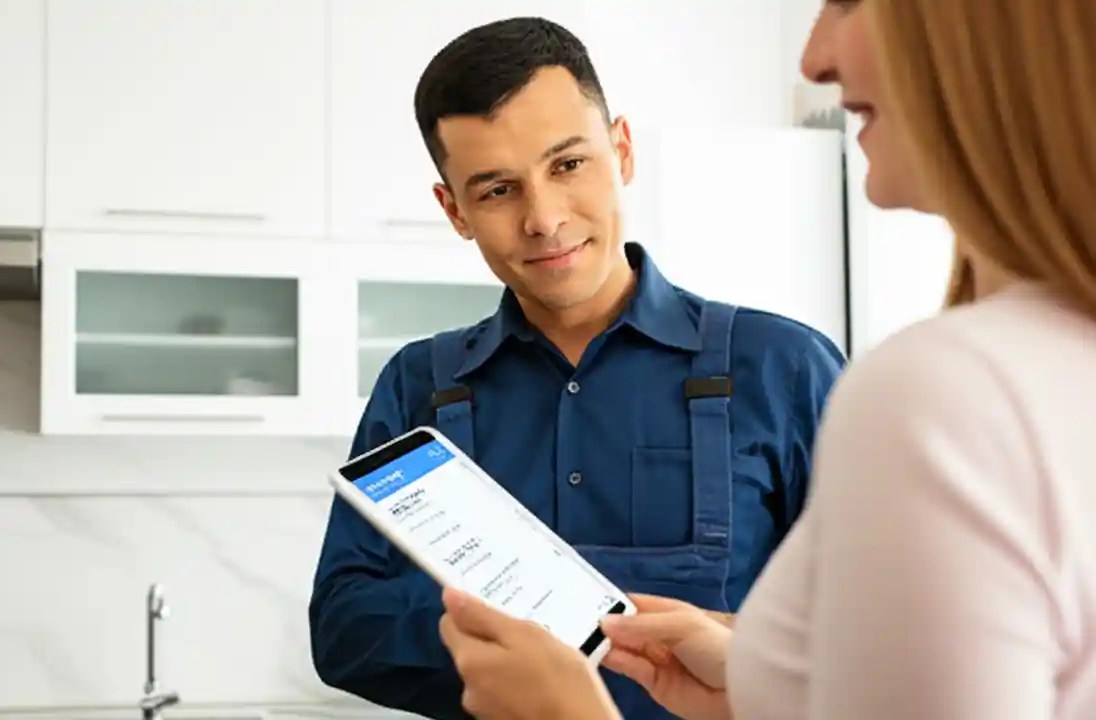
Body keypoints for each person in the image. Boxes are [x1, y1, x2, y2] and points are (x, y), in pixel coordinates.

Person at [436, 1, 1096, 718]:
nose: (812, 56)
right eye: (498, 189)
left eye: (849, 1)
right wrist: (751, 686)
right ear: (455, 209)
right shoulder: (1039, 370)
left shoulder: (935, 389)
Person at [307, 15, 846, 720]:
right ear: (455, 210)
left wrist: (558, 614)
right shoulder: (418, 386)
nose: (545, 219)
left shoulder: (785, 368)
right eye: (497, 189)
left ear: (620, 151)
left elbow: (876, 634)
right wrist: (555, 624)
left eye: (568, 164)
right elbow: (344, 629)